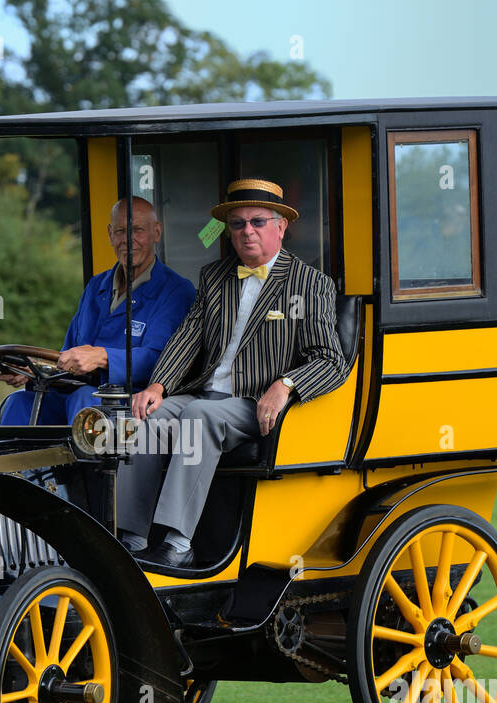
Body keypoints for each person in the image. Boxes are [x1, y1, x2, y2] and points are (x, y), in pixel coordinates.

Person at [120, 178, 349, 568]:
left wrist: (285, 385)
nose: (247, 232)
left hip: (251, 402)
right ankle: (132, 539)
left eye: (258, 222)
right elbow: (187, 338)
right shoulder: (215, 276)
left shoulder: (309, 284)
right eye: (238, 224)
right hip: (201, 393)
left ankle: (177, 544)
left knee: (198, 417)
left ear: (281, 227)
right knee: (141, 417)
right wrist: (157, 386)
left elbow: (330, 359)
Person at [0, 196, 195, 425]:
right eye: (120, 231)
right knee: (19, 403)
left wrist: (102, 357)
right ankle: (15, 462)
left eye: (137, 230)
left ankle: (82, 463)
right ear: (110, 234)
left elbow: (161, 359)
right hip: (76, 396)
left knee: (83, 400)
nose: (128, 240)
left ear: (157, 233)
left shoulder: (176, 291)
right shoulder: (95, 287)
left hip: (129, 403)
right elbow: (67, 354)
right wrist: (32, 371)